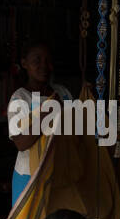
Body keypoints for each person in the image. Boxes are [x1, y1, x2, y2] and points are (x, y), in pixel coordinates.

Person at [6, 41, 72, 209]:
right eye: (37, 60)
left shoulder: (62, 93)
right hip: (29, 176)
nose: (44, 66)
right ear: (24, 63)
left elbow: (73, 129)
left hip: (59, 174)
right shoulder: (20, 98)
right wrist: (48, 113)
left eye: (48, 61)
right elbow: (21, 143)